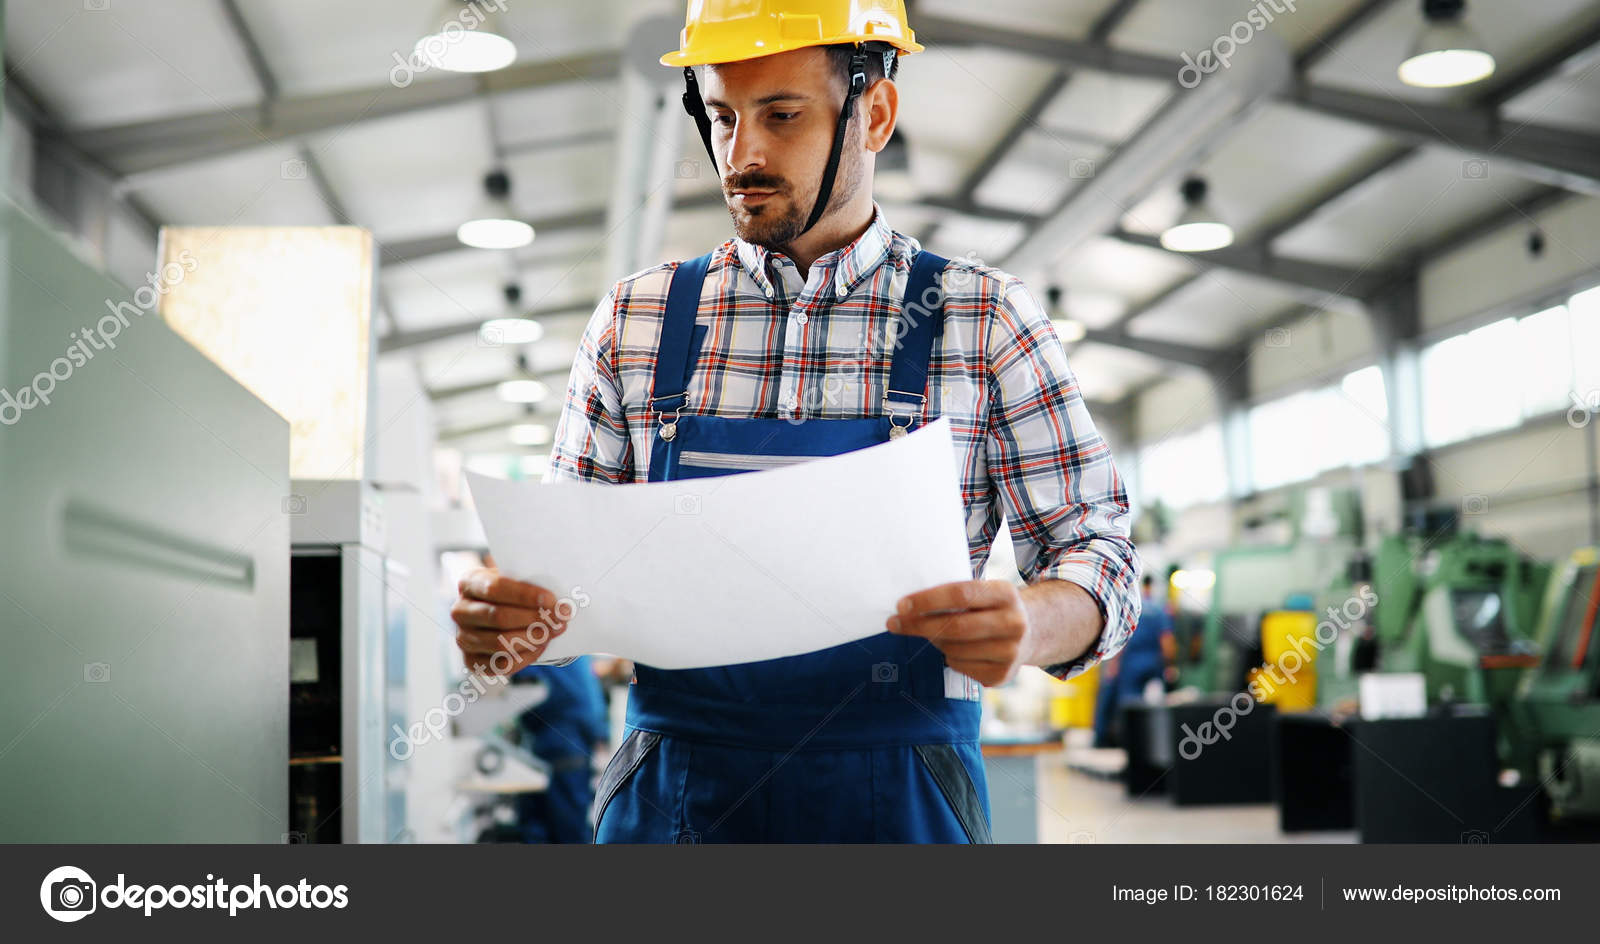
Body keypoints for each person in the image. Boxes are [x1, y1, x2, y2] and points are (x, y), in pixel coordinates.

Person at [451, 0, 1140, 843]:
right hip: (677, 796)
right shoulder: (636, 322)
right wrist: (518, 625)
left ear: (874, 113)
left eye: (782, 115)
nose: (741, 154)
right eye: (722, 116)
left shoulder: (980, 316)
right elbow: (564, 591)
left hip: (902, 790)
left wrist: (1032, 624)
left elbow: (1099, 551)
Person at [510, 656, 609, 844]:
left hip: (558, 741)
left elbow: (523, 686)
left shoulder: (532, 650)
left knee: (558, 825)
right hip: (578, 739)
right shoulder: (579, 654)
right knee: (570, 823)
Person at [1094, 575, 1174, 748]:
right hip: (1153, 664)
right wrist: (1168, 665)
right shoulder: (1160, 610)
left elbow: (1122, 639)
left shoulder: (1131, 606)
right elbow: (1167, 641)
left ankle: (1130, 746)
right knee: (1154, 705)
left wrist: (1114, 664)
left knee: (1129, 705)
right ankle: (1151, 745)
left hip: (1131, 664)